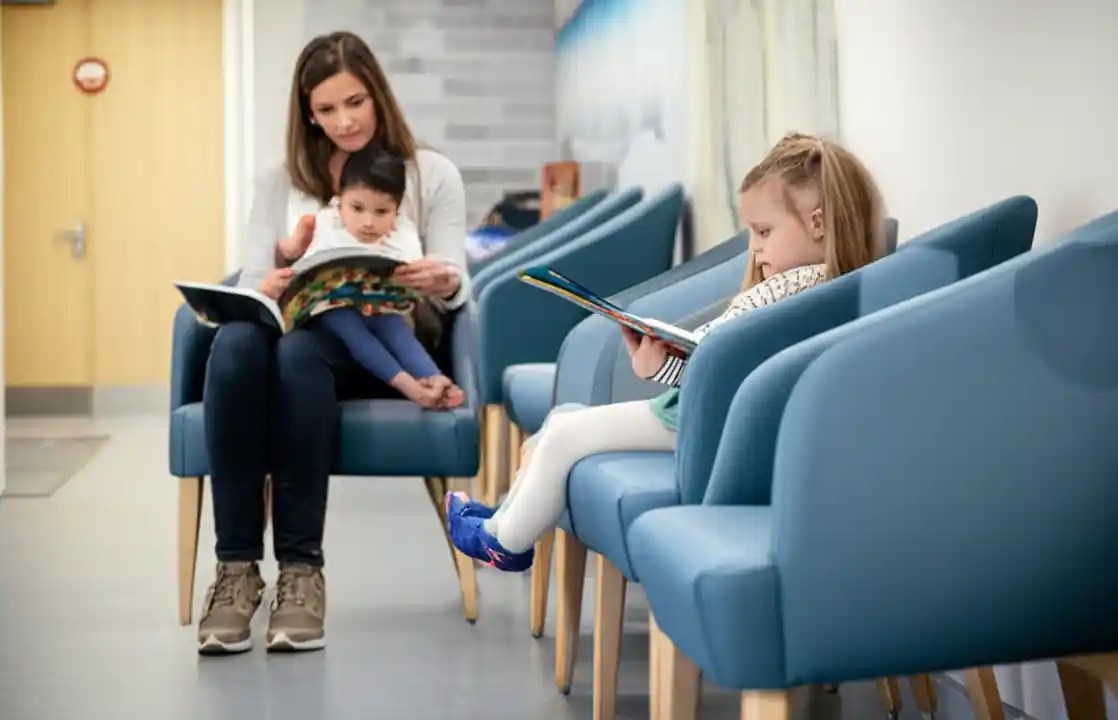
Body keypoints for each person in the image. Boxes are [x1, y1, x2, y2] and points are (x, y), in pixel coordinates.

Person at [446, 133, 885, 571]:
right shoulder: (819, 287)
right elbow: (718, 366)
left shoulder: (796, 288)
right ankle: (506, 516)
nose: (756, 248)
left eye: (764, 232)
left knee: (564, 433)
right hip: (705, 413)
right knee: (563, 421)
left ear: (818, 224)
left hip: (705, 424)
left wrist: (677, 351)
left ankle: (504, 541)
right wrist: (665, 362)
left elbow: (721, 357)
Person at [196, 31, 470, 655]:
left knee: (299, 353)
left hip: (384, 338)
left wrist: (442, 277)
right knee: (239, 346)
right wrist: (268, 279)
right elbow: (247, 279)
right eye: (326, 109)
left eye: (355, 102)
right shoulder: (280, 181)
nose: (344, 121)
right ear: (306, 113)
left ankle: (300, 572)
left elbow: (458, 283)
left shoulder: (432, 174)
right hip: (299, 328)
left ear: (378, 94)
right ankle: (235, 571)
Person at [305, 149, 465, 410]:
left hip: (379, 304)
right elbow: (311, 265)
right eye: (356, 208)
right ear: (339, 201)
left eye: (382, 212)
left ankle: (436, 380)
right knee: (346, 321)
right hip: (331, 310)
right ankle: (410, 387)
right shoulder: (326, 223)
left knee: (391, 324)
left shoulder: (401, 230)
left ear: (396, 210)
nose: (368, 222)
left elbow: (411, 265)